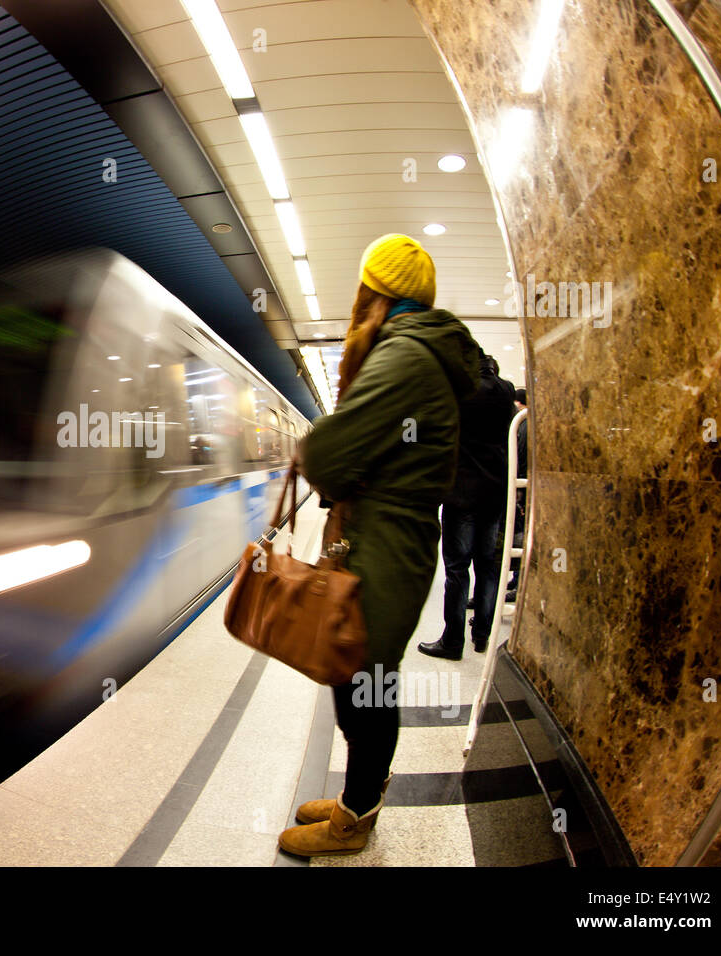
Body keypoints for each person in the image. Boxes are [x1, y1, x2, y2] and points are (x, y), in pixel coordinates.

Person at [279, 233, 478, 857]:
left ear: (377, 293)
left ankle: (355, 817)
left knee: (364, 680)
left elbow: (332, 452)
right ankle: (358, 797)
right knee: (362, 674)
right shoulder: (417, 350)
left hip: (387, 542)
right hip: (395, 537)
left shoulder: (406, 355)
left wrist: (316, 454)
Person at [418, 350, 516, 661]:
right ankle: (483, 635)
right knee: (488, 566)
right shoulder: (507, 392)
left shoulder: (459, 393)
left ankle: (452, 641)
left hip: (461, 495)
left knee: (458, 570)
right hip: (496, 494)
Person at [505, 387, 529, 602]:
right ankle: (517, 578)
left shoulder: (523, 424)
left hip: (522, 486)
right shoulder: (522, 422)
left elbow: (520, 456)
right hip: (520, 484)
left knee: (521, 535)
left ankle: (520, 580)